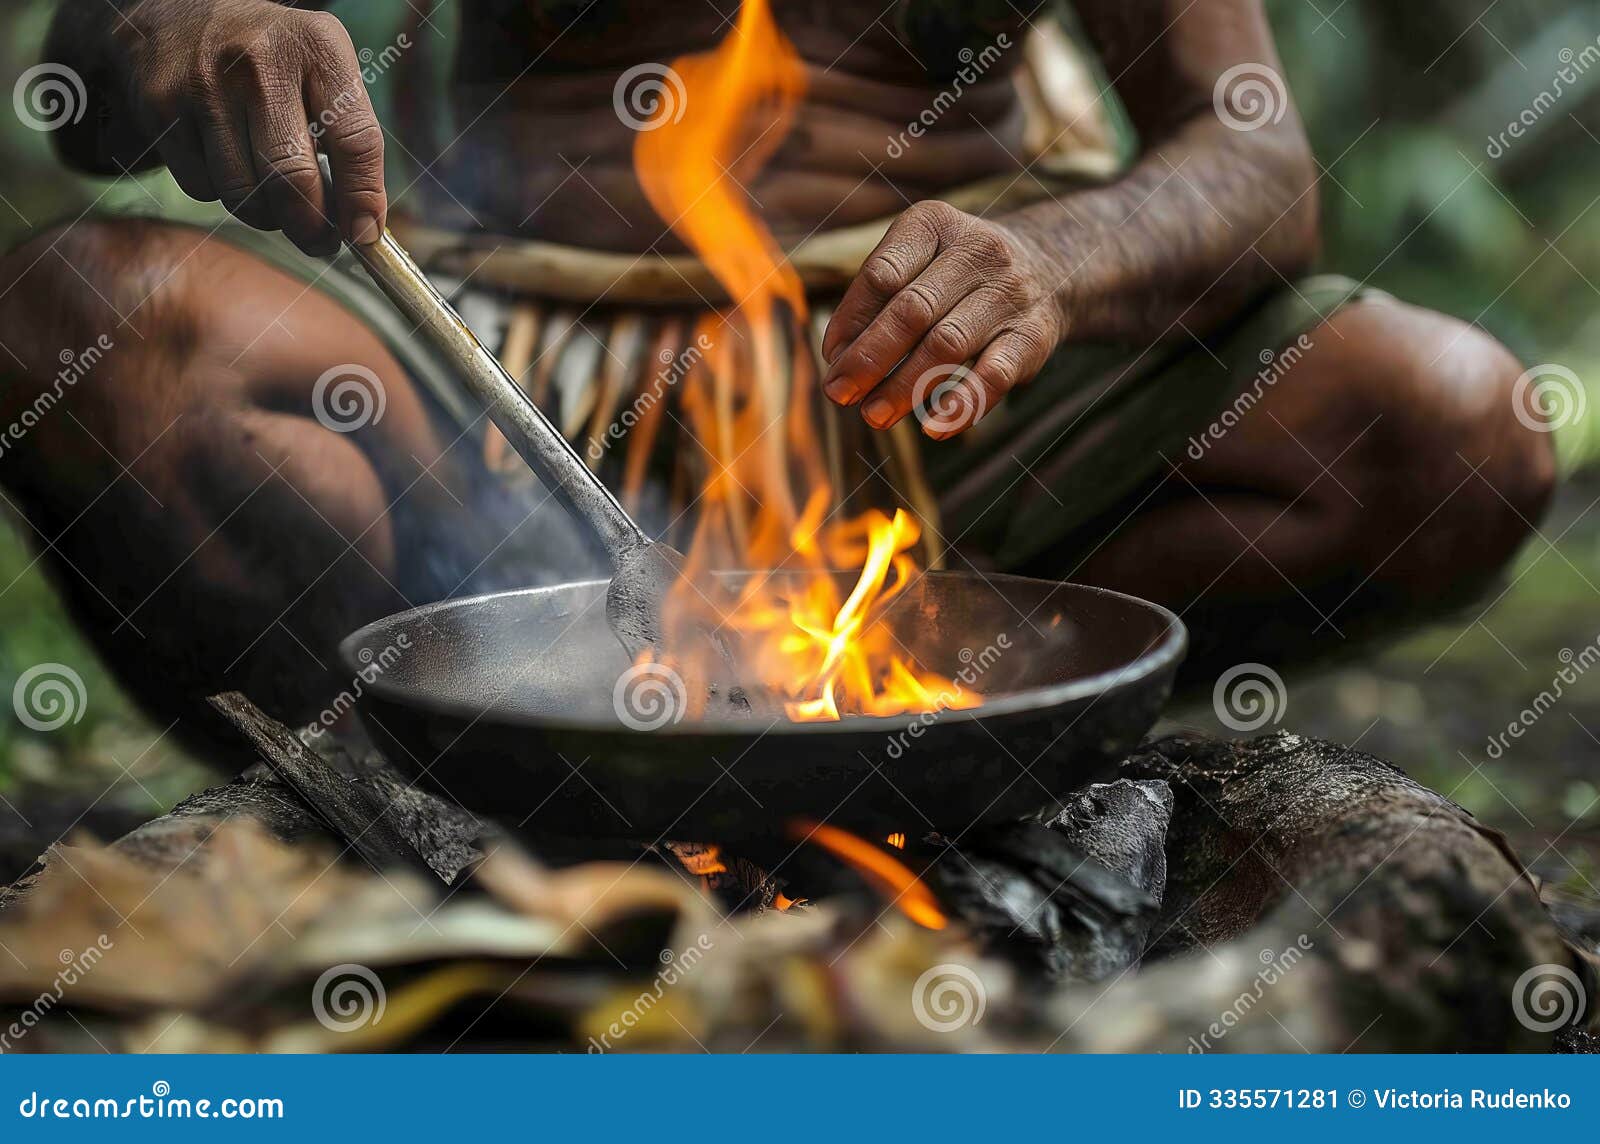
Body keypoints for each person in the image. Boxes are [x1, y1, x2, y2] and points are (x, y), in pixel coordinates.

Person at [0, 0, 1553, 744]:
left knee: (1450, 428)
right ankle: (413, 817)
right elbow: (87, 86)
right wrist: (180, 32)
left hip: (940, 398)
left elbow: (1261, 154)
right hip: (501, 387)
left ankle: (952, 724)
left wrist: (1057, 266)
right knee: (82, 326)